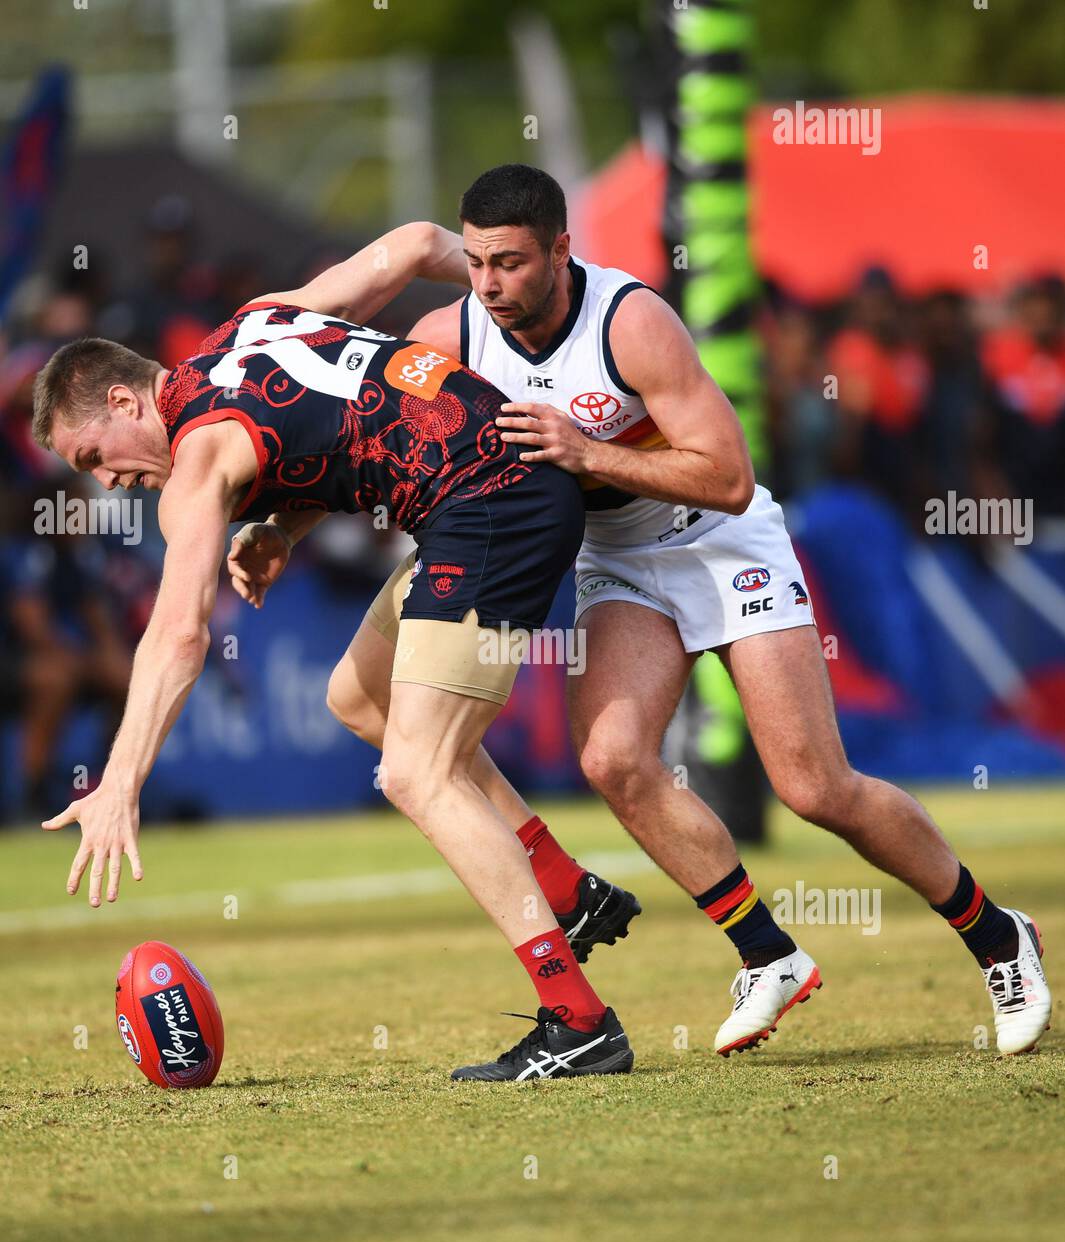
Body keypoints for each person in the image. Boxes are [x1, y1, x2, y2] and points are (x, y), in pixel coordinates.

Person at [302, 165, 1049, 1060]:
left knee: (815, 788)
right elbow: (360, 429)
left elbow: (728, 480)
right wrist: (282, 524)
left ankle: (998, 937)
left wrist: (586, 452)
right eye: (474, 263)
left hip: (721, 545)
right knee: (613, 760)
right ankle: (766, 954)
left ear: (561, 253)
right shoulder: (449, 334)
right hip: (616, 560)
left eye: (509, 263)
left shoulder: (631, 323)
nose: (490, 285)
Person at [32, 220, 641, 1083]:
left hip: (493, 508)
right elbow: (418, 245)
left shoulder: (197, 459)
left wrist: (119, 783)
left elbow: (175, 636)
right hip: (497, 491)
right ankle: (565, 890)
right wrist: (281, 526)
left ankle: (576, 1020)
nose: (107, 481)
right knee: (357, 701)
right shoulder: (253, 323)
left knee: (413, 774)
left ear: (128, 402)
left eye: (95, 457)